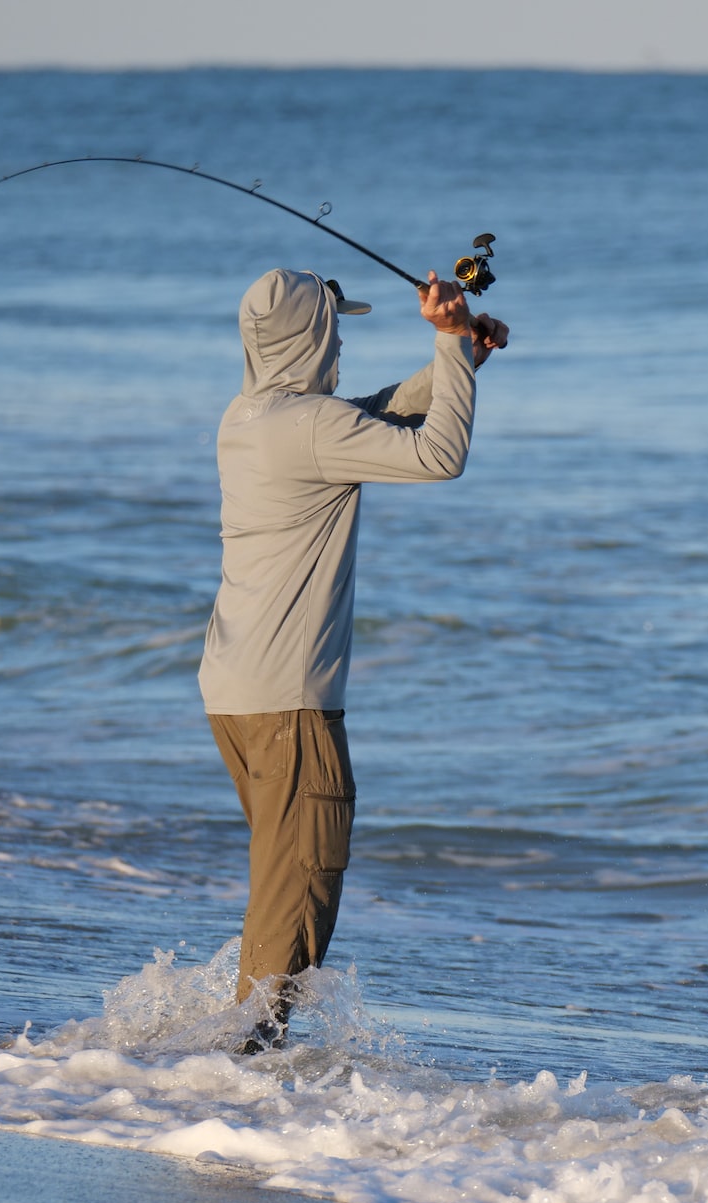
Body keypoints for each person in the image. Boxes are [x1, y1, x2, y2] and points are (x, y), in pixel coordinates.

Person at [198, 266, 507, 1050]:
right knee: (297, 908)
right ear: (313, 335)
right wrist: (445, 340)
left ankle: (228, 1074)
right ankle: (231, 1088)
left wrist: (457, 360)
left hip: (237, 696)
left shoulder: (248, 417)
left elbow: (368, 416)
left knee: (279, 897)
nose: (340, 342)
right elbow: (438, 456)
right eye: (336, 328)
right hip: (289, 705)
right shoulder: (310, 428)